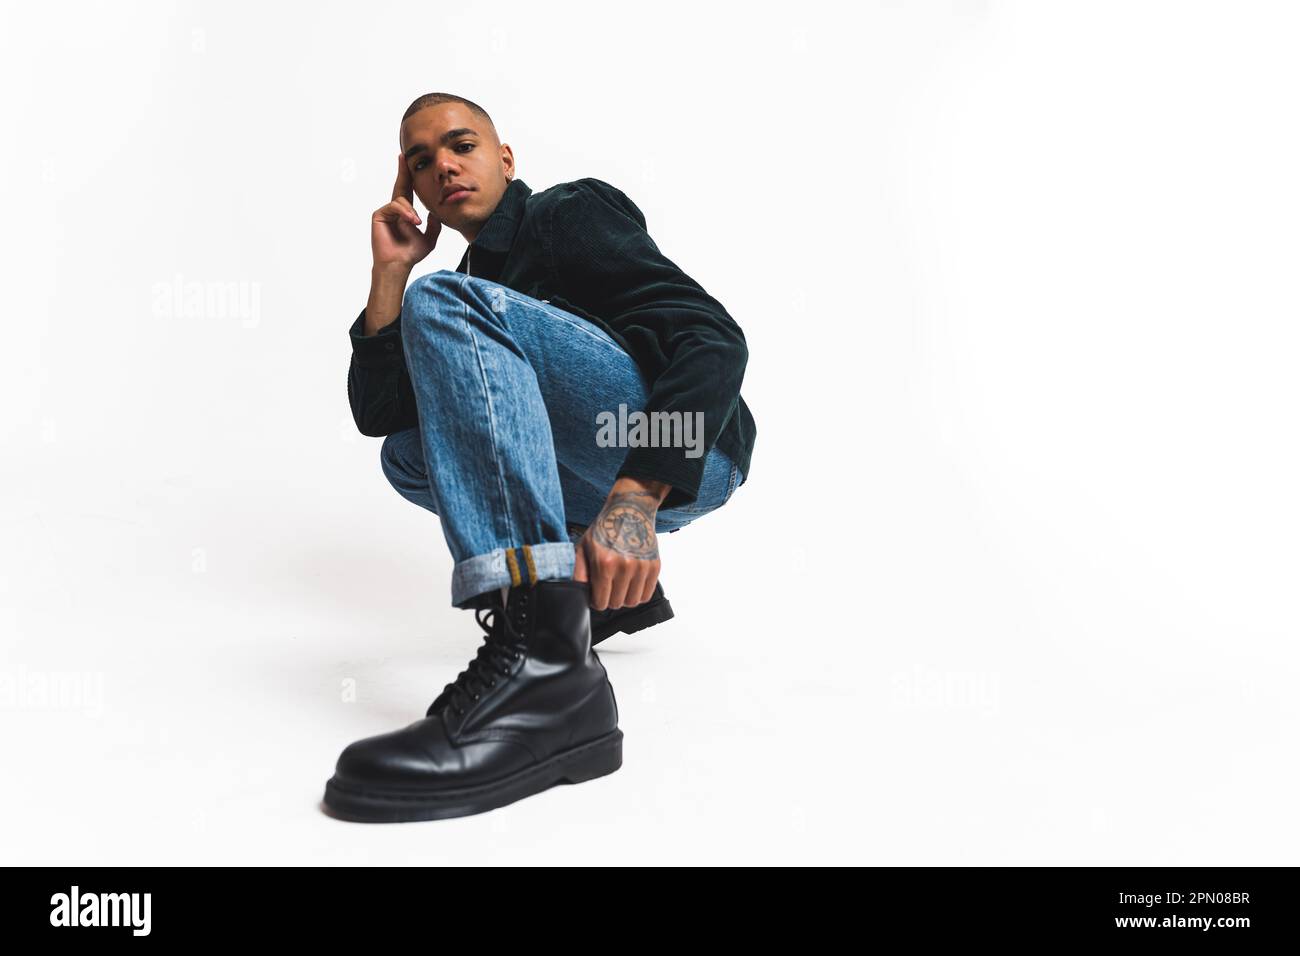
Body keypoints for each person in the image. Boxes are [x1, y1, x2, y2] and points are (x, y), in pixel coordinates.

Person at [322, 92, 756, 822]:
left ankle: (545, 666)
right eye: (422, 161)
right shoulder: (472, 289)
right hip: (599, 456)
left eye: (461, 145)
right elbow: (382, 415)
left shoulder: (564, 215)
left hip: (685, 445)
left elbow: (713, 337)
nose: (443, 168)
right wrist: (391, 276)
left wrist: (635, 499)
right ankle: (573, 603)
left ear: (506, 158)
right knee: (408, 455)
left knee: (451, 301)